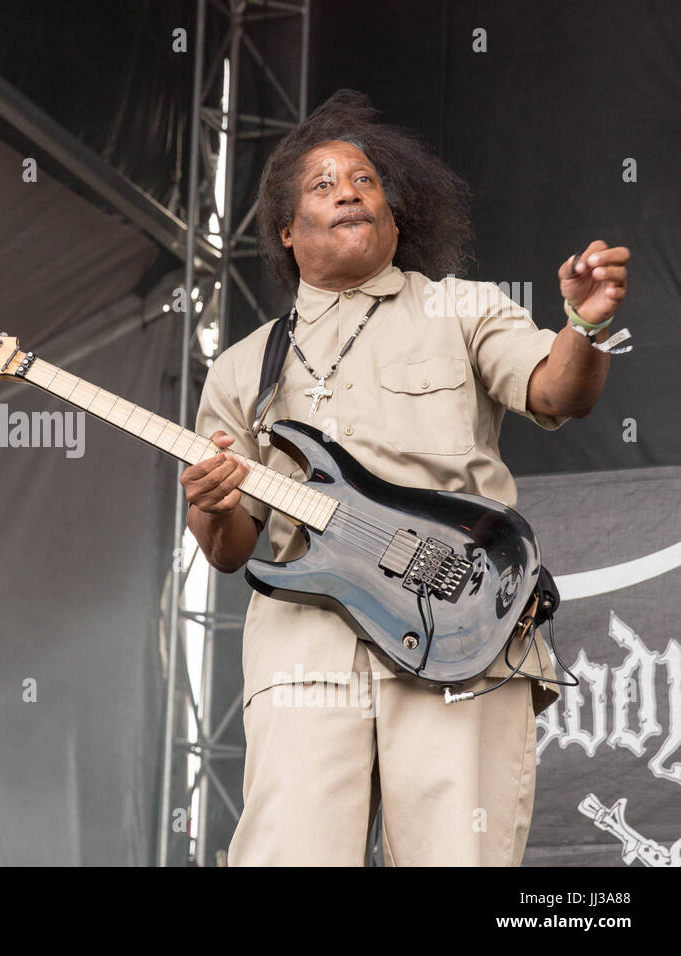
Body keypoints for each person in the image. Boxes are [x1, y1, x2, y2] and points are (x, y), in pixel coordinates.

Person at [181, 91, 626, 866]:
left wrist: (584, 326)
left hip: (463, 624)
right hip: (304, 654)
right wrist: (209, 506)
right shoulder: (243, 366)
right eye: (322, 185)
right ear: (286, 231)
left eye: (364, 181)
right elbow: (230, 549)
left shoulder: (460, 309)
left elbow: (559, 392)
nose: (348, 189)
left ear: (395, 218)